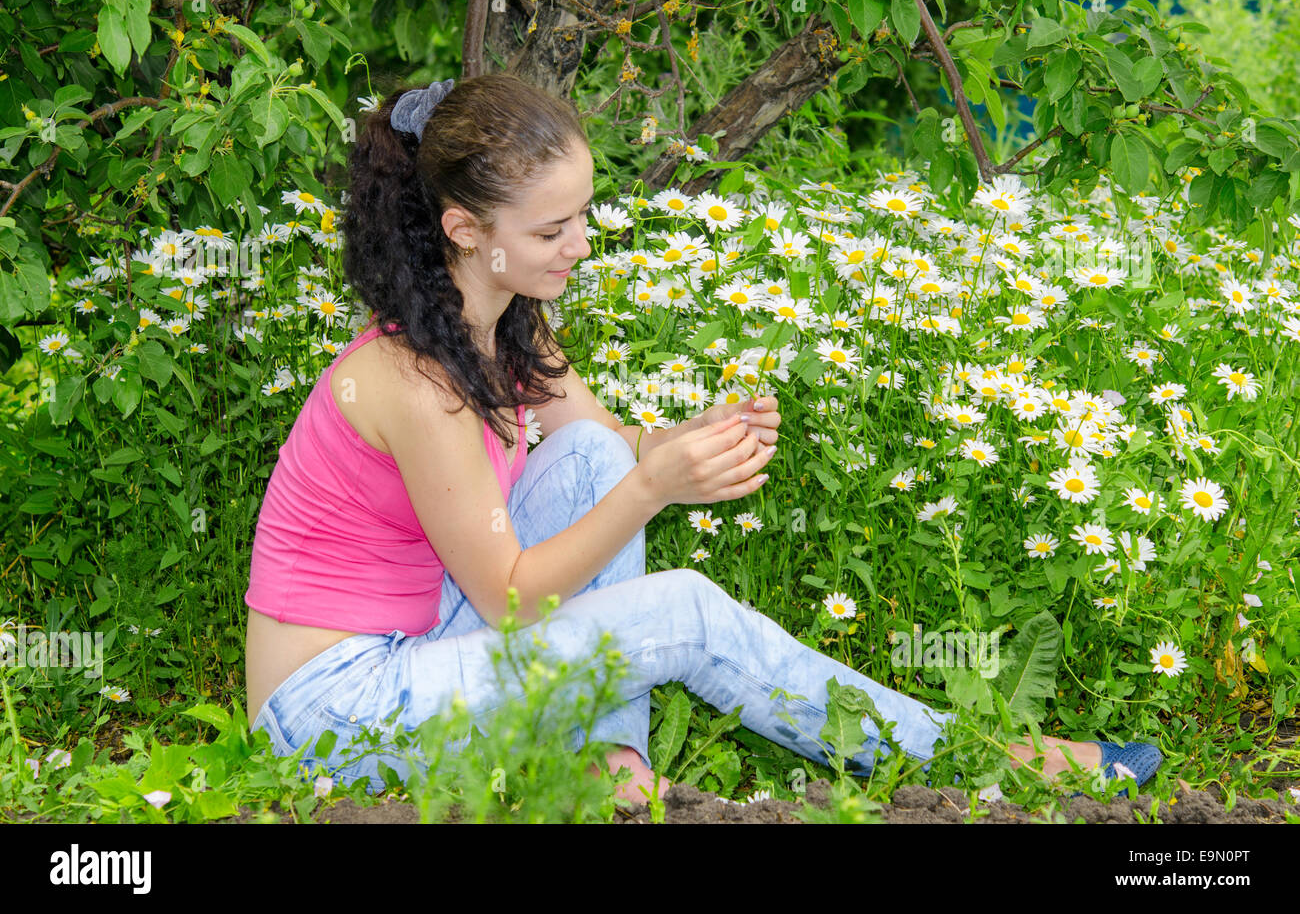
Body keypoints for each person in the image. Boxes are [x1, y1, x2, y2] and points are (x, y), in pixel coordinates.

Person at [243, 72, 1162, 805]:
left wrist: (686, 443)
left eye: (584, 215)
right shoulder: (415, 380)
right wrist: (656, 489)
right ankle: (987, 756)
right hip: (334, 715)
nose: (581, 245)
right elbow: (516, 600)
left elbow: (609, 446)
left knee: (596, 460)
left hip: (418, 645)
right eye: (553, 228)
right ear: (465, 230)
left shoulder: (501, 320)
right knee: (678, 608)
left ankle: (608, 768)